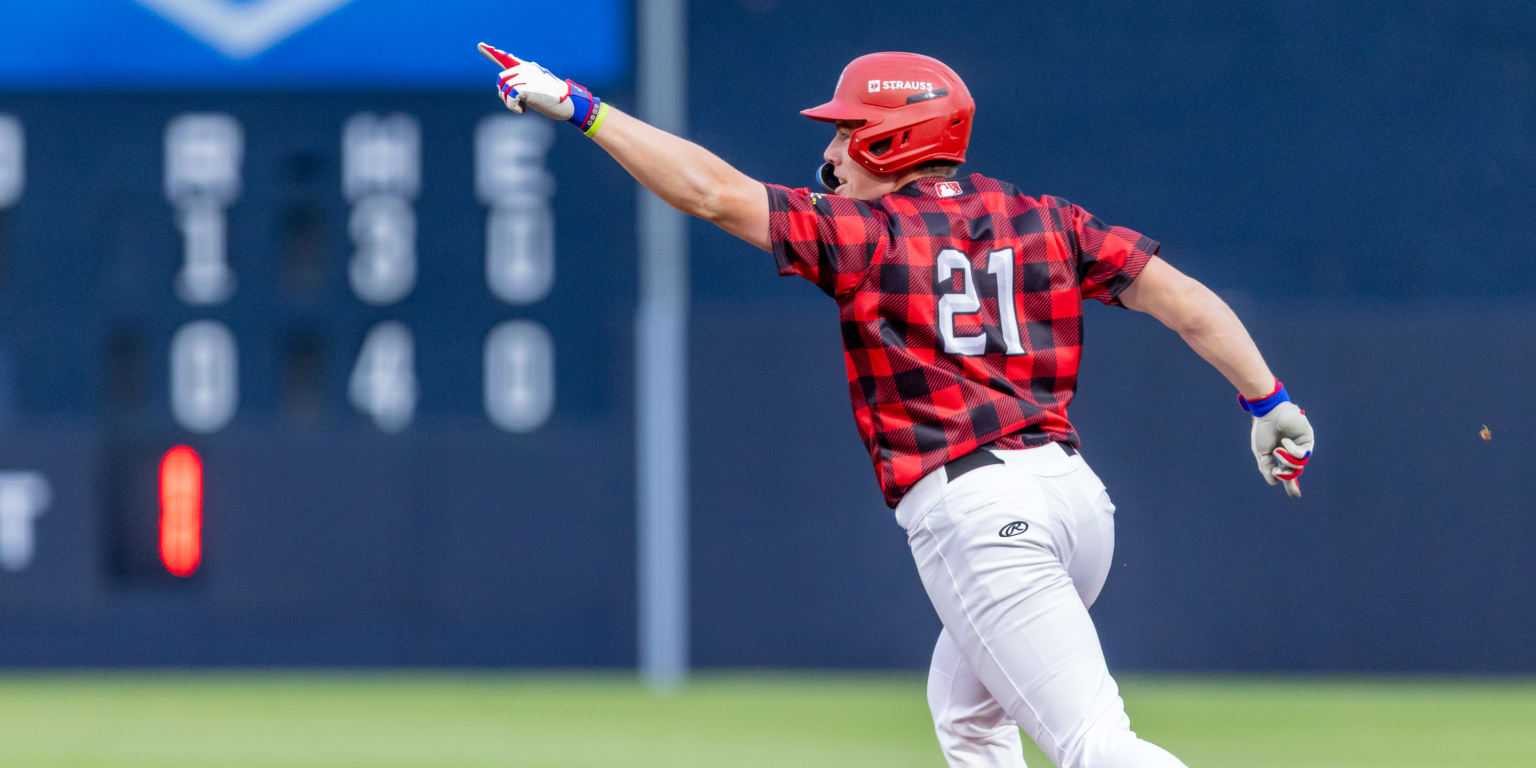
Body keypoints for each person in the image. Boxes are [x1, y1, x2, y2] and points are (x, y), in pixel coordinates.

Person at [477, 45, 1315, 768]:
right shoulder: (1045, 219)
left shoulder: (865, 234)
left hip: (982, 512)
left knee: (1095, 744)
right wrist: (1266, 399)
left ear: (894, 136)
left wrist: (587, 111)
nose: (834, 149)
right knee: (968, 711)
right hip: (1074, 503)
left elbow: (711, 193)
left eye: (847, 129)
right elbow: (1187, 301)